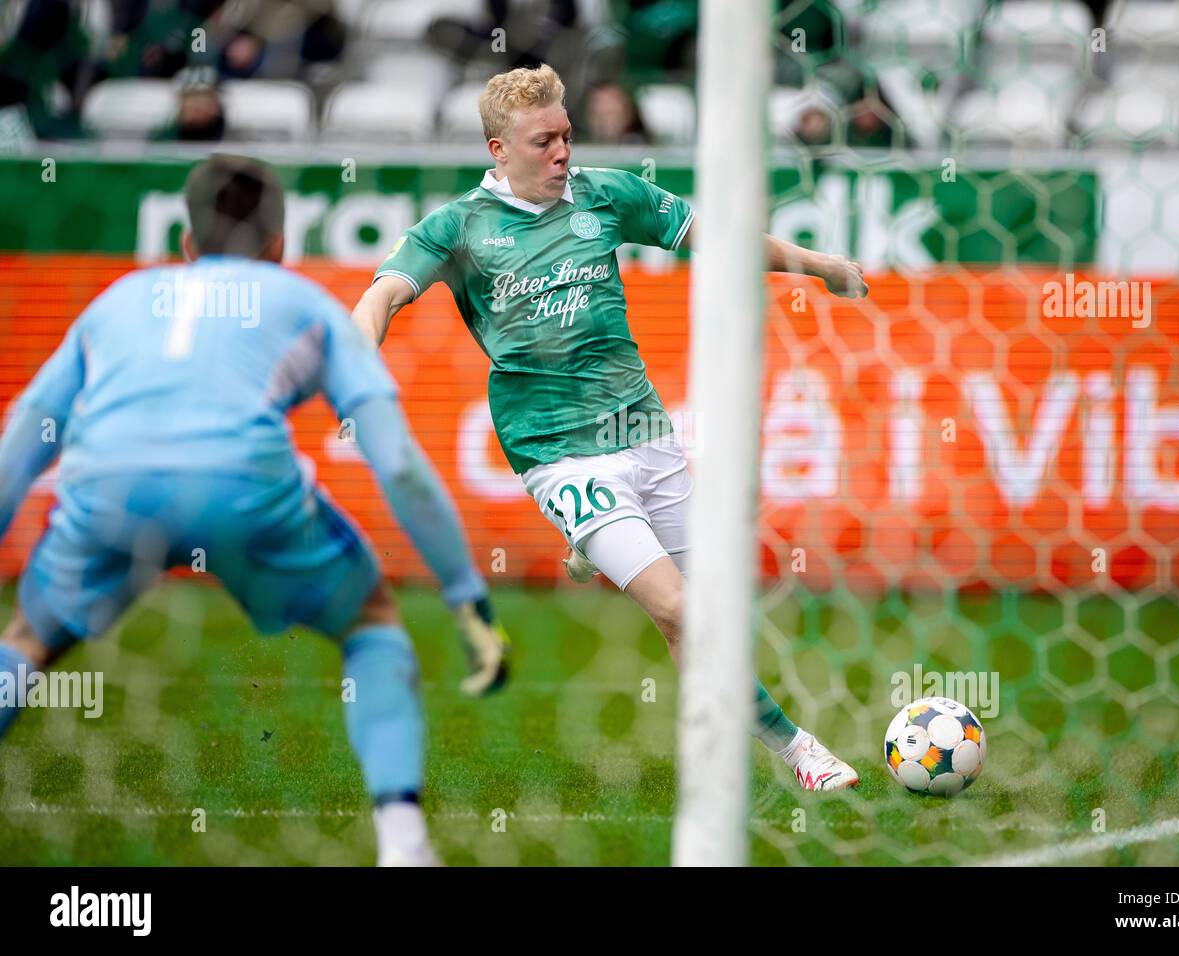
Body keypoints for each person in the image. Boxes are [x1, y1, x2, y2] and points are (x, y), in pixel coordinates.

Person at [353, 65, 870, 791]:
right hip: (558, 453)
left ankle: (708, 737)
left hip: (644, 432)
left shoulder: (608, 195)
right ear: (499, 150)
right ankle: (802, 753)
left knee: (701, 619)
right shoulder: (460, 226)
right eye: (543, 141)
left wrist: (816, 267)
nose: (563, 152)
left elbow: (716, 239)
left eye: (567, 135)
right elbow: (381, 297)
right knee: (680, 605)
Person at [0, 154, 508, 864]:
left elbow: (25, 432)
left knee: (27, 640)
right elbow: (394, 462)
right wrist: (464, 591)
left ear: (184, 244)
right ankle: (404, 842)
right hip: (243, 492)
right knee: (372, 622)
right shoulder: (303, 304)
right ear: (280, 246)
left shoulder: (115, 300)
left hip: (108, 488)